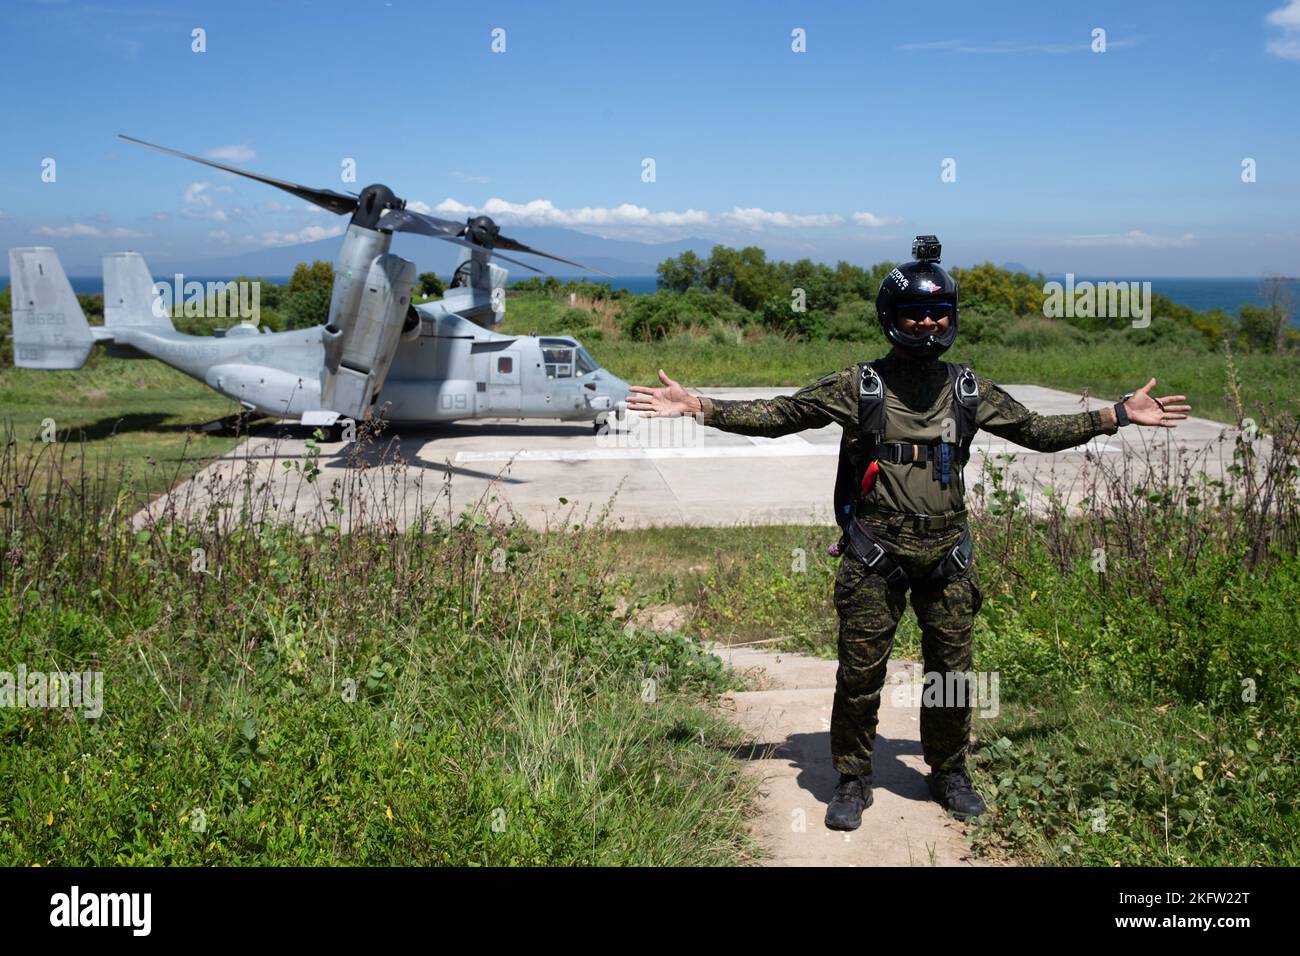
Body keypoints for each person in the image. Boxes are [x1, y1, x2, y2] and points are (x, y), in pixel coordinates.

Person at [626, 236, 1191, 831]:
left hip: (948, 552)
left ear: (951, 317)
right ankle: (851, 778)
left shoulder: (969, 389)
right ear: (890, 320)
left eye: (937, 312)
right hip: (877, 552)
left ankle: (948, 771)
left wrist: (1116, 415)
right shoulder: (859, 385)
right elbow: (783, 415)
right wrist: (702, 406)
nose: (926, 322)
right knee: (860, 672)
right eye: (914, 313)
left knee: (952, 673)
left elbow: (1037, 430)